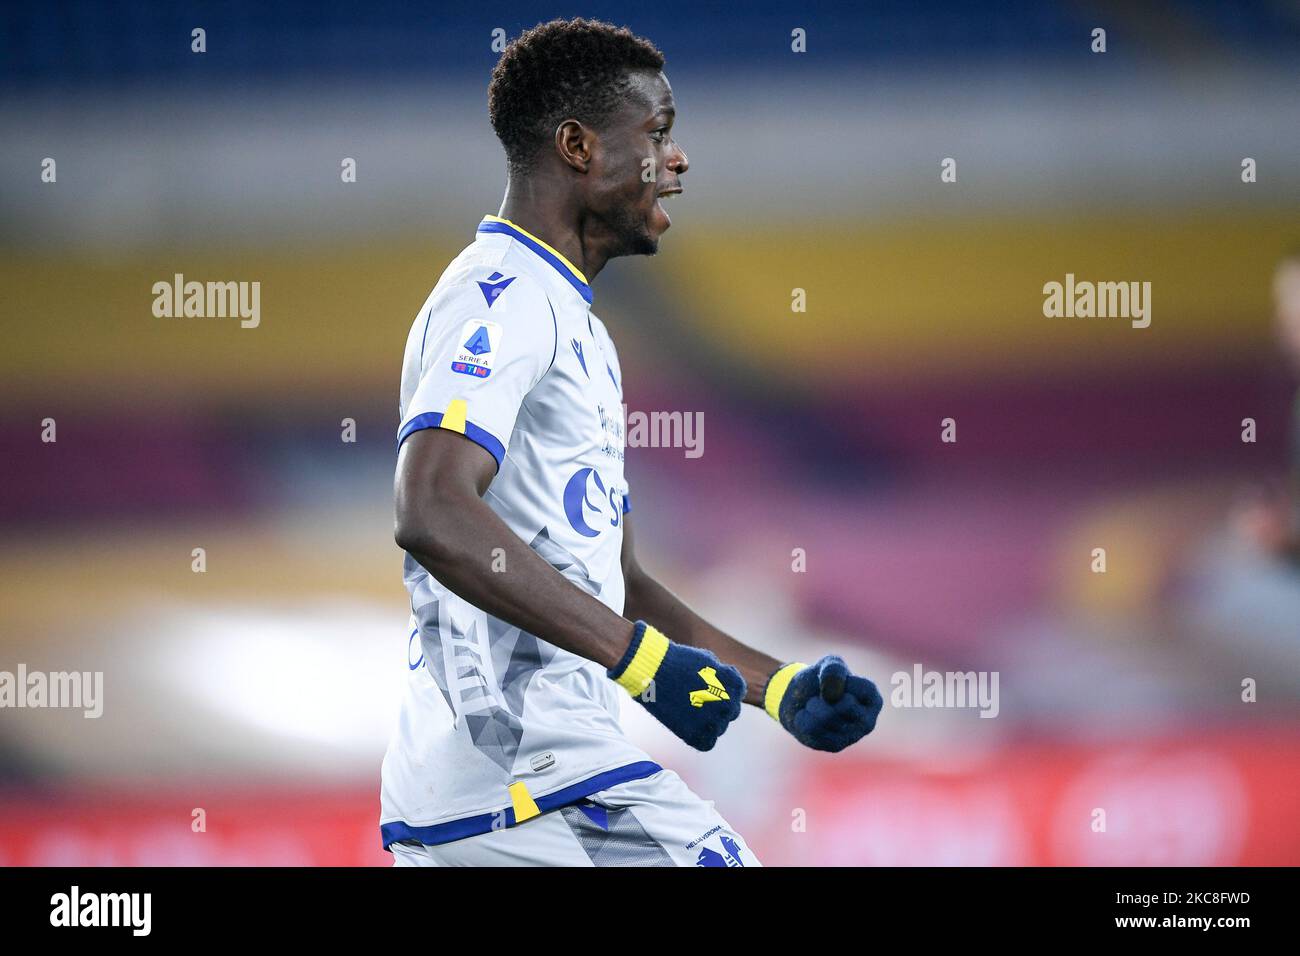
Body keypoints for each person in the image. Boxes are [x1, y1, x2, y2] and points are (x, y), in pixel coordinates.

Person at [380, 18, 882, 867]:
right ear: (577, 146)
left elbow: (623, 585)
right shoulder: (503, 299)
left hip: (495, 800)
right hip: (534, 786)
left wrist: (776, 687)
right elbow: (429, 507)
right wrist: (639, 662)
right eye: (657, 133)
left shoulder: (574, 323)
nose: (677, 160)